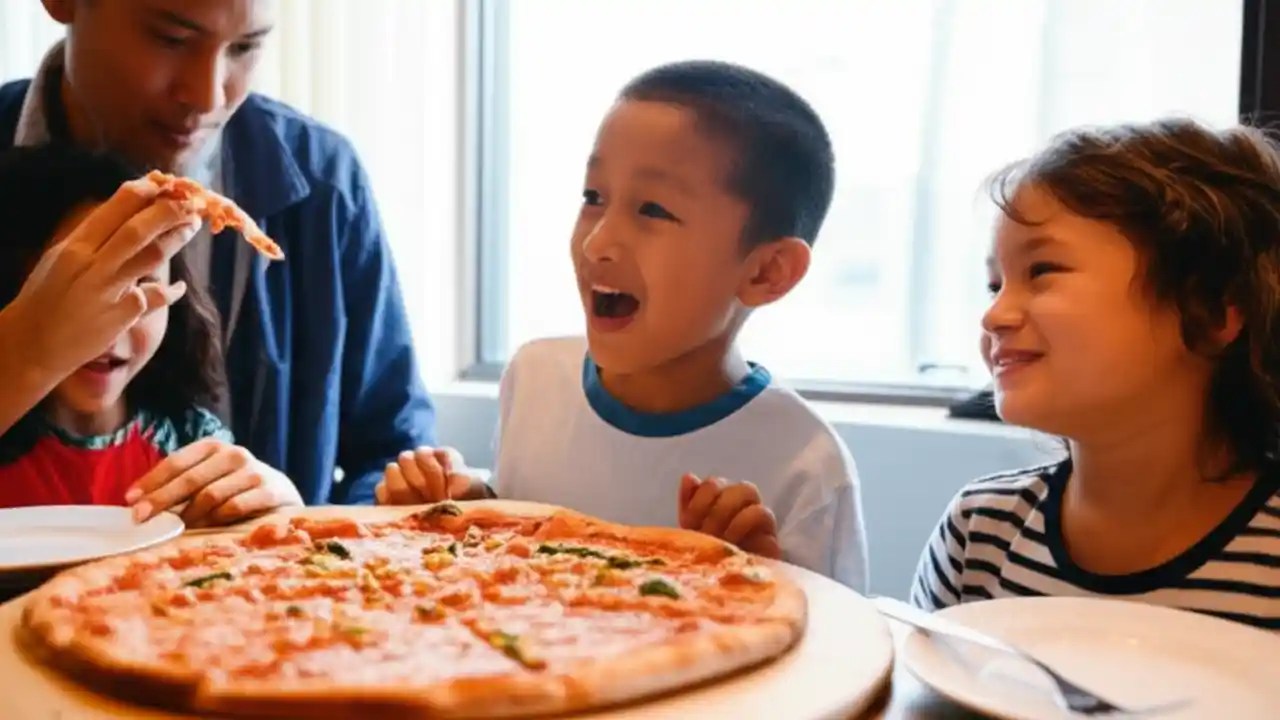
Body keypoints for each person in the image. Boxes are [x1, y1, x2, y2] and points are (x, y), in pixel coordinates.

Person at [377, 61, 869, 591]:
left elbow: (843, 656)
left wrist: (761, 579)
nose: (597, 243)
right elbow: (512, 561)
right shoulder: (535, 376)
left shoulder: (805, 462)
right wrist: (463, 507)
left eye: (652, 210)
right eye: (593, 198)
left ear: (766, 271)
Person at [0, 0, 436, 510]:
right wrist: (23, 355)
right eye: (170, 39)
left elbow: (392, 453)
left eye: (245, 48)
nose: (208, 96)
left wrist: (296, 523)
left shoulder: (325, 185)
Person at [911, 118, 1280, 631]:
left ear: (1211, 311)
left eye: (1041, 272)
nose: (994, 315)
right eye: (995, 284)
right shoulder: (981, 532)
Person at [0, 145, 303, 526]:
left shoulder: (189, 441)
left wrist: (279, 508)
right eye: (84, 288)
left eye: (143, 285)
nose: (110, 327)